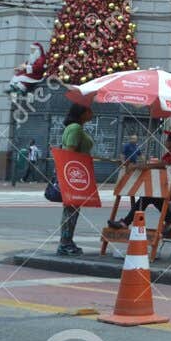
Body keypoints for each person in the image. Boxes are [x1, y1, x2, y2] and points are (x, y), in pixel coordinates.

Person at [56, 105, 94, 257]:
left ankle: (66, 242)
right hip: (74, 175)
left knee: (72, 210)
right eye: (89, 110)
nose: (92, 113)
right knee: (71, 209)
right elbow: (69, 152)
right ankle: (65, 243)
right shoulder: (75, 128)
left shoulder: (75, 128)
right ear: (82, 113)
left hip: (75, 174)